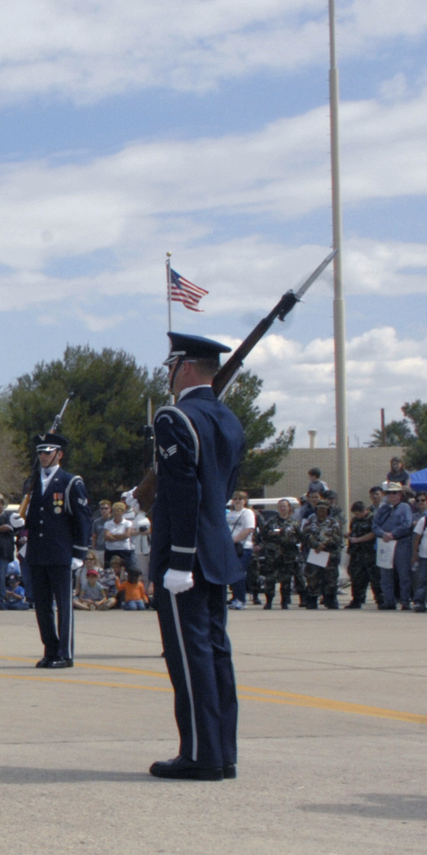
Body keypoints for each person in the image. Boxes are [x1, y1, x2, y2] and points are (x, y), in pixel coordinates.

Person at [148, 332, 244, 781]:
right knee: (215, 653)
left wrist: (180, 560)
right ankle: (222, 752)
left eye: (170, 366)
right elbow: (220, 492)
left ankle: (200, 754)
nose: (167, 375)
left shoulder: (174, 417)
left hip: (184, 557)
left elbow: (185, 493)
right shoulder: (228, 419)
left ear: (184, 366)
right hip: (216, 549)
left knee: (189, 657)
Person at [17, 431, 89, 668]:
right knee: (42, 605)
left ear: (59, 454)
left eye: (47, 452)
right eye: (40, 452)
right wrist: (19, 523)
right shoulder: (33, 481)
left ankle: (64, 653)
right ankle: (50, 649)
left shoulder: (70, 482)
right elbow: (33, 517)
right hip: (37, 553)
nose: (43, 456)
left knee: (63, 607)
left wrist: (79, 553)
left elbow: (81, 521)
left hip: (61, 553)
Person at [373, 482, 416, 611]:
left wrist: (393, 534)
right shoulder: (383, 508)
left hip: (401, 542)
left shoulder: (405, 507)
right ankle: (389, 600)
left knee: (403, 573)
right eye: (389, 492)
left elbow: (407, 524)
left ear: (401, 494)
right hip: (385, 543)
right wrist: (382, 534)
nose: (391, 495)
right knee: (386, 573)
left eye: (394, 492)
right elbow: (375, 524)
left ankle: (405, 600)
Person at [225, 491, 256, 608]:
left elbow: (248, 529)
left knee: (239, 573)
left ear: (245, 501)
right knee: (232, 574)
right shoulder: (230, 514)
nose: (237, 501)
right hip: (230, 547)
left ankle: (241, 600)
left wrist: (235, 540)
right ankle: (236, 598)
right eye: (235, 499)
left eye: (240, 499)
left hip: (243, 547)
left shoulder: (247, 513)